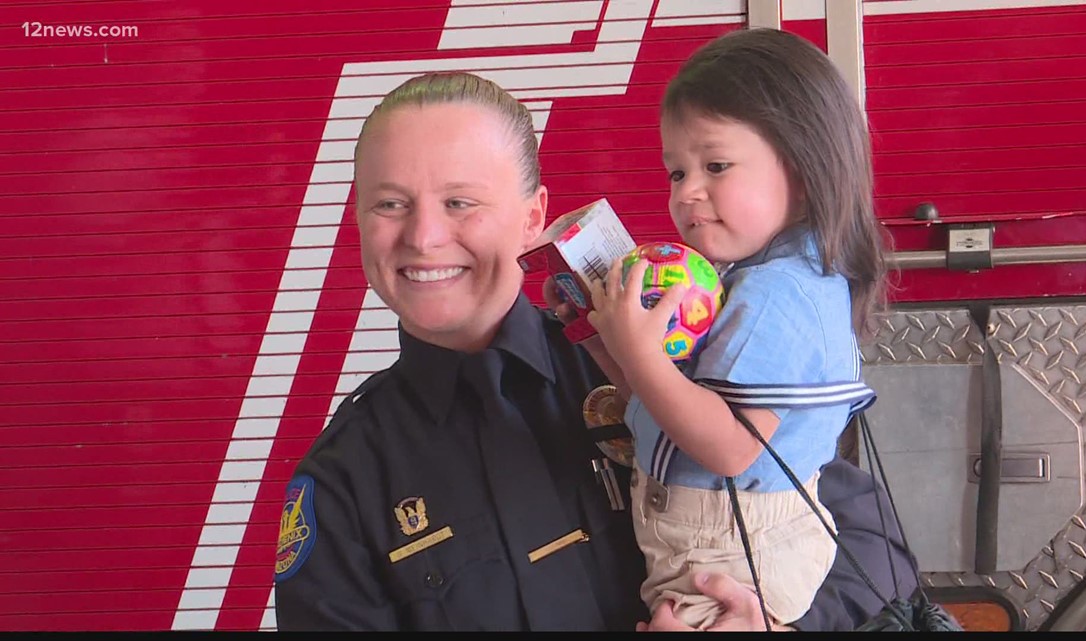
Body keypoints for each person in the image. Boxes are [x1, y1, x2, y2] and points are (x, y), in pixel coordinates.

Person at [272, 67, 915, 632]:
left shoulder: (658, 362)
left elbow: (878, 549)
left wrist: (776, 626)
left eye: (460, 202)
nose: (423, 236)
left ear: (533, 218)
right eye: (390, 204)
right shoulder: (343, 479)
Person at [553, 28, 892, 630]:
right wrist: (604, 338)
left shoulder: (775, 295)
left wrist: (641, 356)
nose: (688, 192)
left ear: (803, 169)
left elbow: (731, 447)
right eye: (675, 173)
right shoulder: (750, 279)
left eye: (715, 166)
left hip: (730, 554)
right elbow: (671, 409)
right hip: (715, 540)